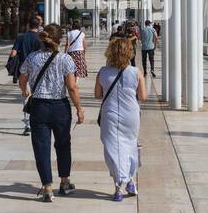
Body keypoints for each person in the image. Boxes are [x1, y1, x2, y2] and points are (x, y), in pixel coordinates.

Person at [18, 23, 84, 202]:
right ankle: (64, 181)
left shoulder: (32, 57)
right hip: (60, 107)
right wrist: (79, 108)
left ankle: (47, 187)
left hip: (39, 106)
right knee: (63, 144)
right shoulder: (65, 59)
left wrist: (25, 91)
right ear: (58, 40)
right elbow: (71, 87)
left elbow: (22, 78)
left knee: (41, 147)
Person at [94, 35, 146, 201]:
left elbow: (97, 95)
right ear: (129, 53)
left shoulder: (103, 72)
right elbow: (143, 96)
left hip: (110, 114)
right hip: (131, 114)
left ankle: (118, 186)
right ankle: (130, 180)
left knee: (113, 148)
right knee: (130, 145)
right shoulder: (136, 72)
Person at [8, 15, 43, 135]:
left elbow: (13, 53)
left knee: (26, 96)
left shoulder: (21, 37)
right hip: (38, 70)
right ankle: (39, 121)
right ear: (38, 26)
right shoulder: (40, 38)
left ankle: (28, 125)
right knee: (38, 95)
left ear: (29, 25)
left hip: (24, 70)